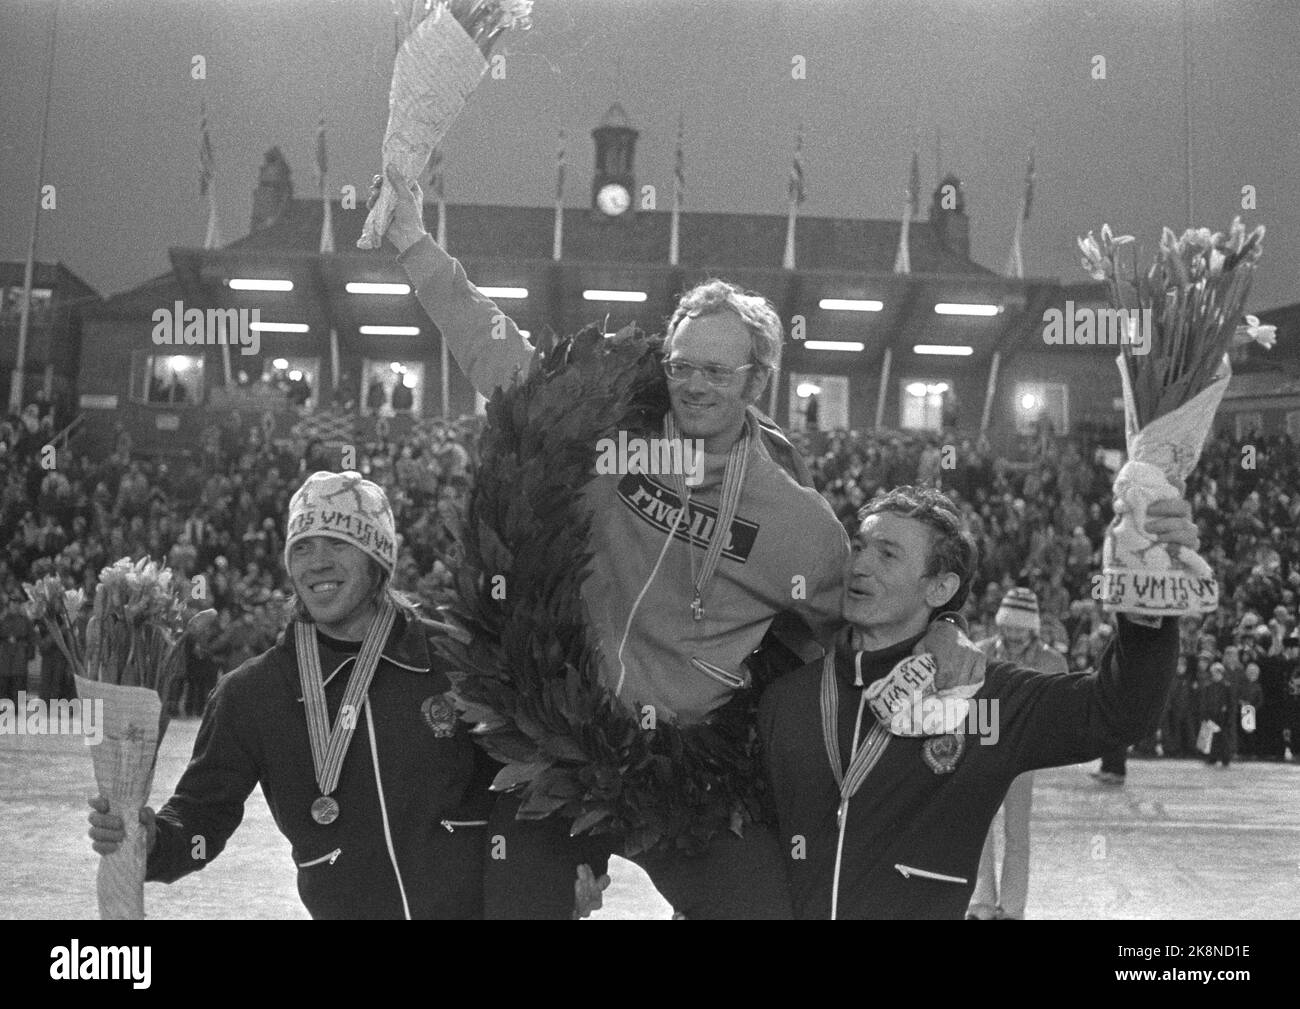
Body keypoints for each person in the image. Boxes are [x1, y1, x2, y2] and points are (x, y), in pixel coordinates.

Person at [374, 169, 981, 919]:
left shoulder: (800, 526)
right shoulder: (603, 432)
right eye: (682, 365)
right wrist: (412, 242)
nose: (694, 385)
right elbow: (495, 351)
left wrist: (944, 631)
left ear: (758, 377)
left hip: (690, 773)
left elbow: (865, 617)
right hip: (557, 742)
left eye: (717, 372)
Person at [87, 471, 543, 919]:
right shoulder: (252, 695)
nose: (316, 562)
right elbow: (201, 817)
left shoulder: (455, 660)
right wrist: (152, 842)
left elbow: (530, 786)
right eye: (302, 547)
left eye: (338, 543)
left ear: (377, 559)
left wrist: (563, 877)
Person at [758, 485, 1194, 919]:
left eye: (887, 554)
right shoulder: (788, 697)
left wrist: (1145, 601)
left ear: (940, 587)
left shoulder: (982, 703)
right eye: (859, 546)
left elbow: (1118, 711)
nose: (860, 564)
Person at [966, 588, 1068, 920]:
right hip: (986, 744)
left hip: (1022, 751)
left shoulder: (1051, 661)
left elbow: (1058, 710)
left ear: (1033, 627)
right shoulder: (981, 652)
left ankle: (1010, 907)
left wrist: (1040, 741)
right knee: (979, 827)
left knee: (1017, 830)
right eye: (1008, 626)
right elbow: (970, 699)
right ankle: (981, 902)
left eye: (1020, 627)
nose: (1012, 633)